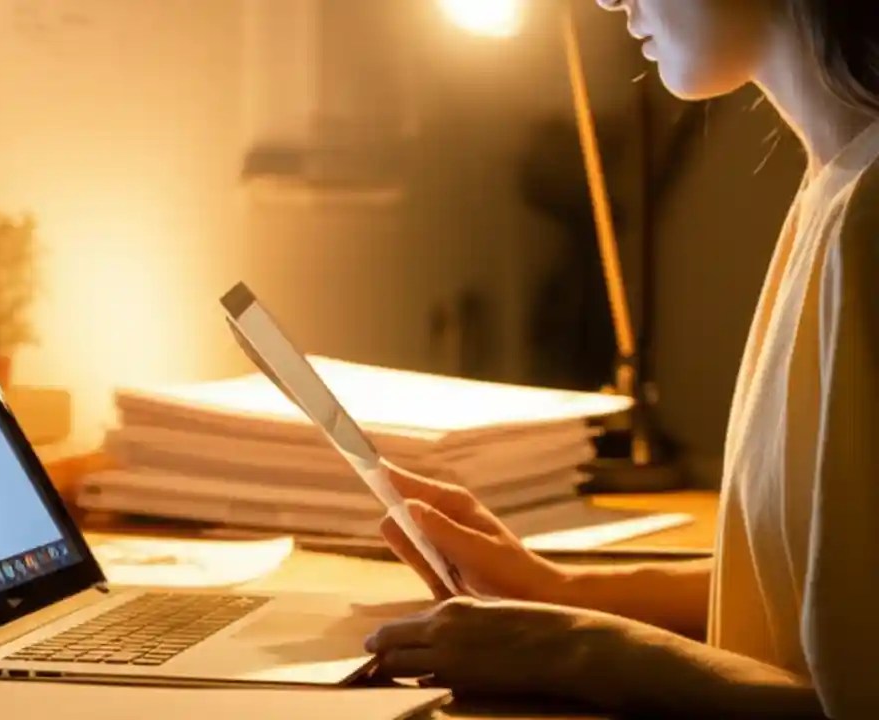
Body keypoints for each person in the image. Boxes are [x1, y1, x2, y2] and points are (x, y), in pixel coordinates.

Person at [365, 1, 879, 717]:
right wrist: (556, 591)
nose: (609, 0)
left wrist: (574, 650)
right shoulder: (839, 185)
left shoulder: (870, 214)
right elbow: (822, 592)